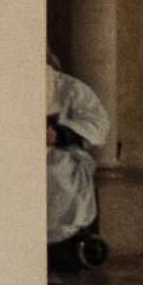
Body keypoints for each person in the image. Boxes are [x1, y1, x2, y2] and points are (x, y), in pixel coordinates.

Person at [49, 56, 111, 270]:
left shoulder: (69, 87)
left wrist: (60, 133)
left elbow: (98, 124)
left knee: (57, 177)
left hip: (58, 155)